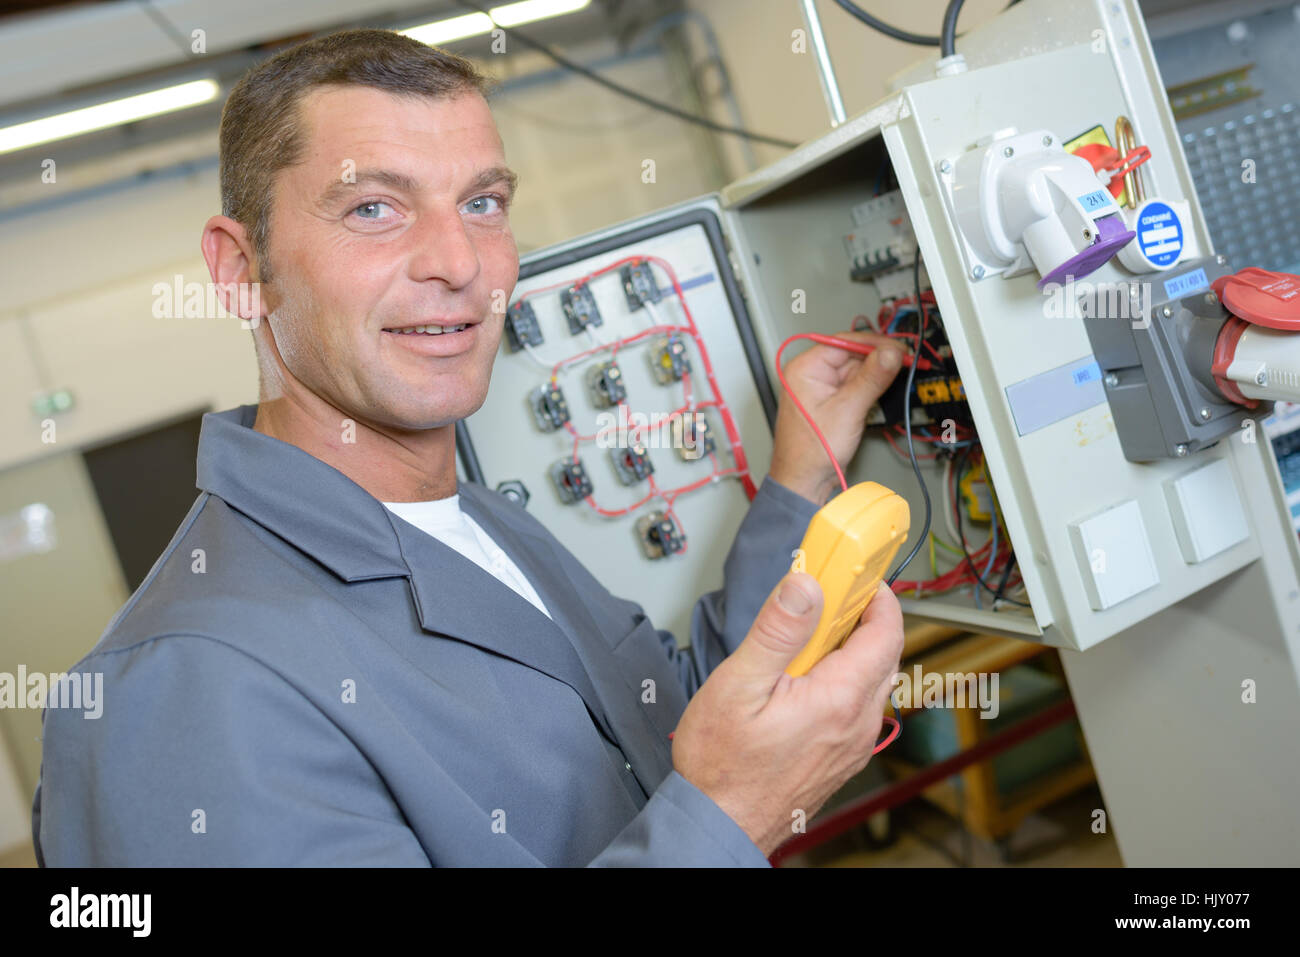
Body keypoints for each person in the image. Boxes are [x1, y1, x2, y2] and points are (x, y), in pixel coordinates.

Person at [33, 29, 907, 866]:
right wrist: (729, 820)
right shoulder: (178, 690)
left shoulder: (480, 518)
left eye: (483, 203)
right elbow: (711, 794)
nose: (459, 261)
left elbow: (672, 723)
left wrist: (797, 477)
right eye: (374, 208)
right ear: (240, 271)